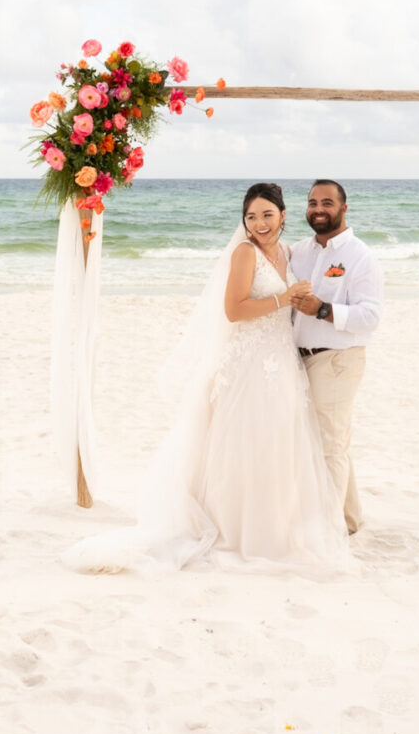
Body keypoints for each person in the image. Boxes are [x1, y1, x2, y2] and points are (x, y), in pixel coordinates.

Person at [62, 183, 349, 575]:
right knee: (243, 445)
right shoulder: (244, 253)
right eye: (251, 216)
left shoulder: (286, 252)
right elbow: (234, 310)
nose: (260, 223)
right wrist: (285, 298)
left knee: (277, 444)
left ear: (283, 215)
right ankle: (236, 530)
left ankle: (274, 527)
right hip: (248, 363)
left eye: (267, 214)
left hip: (280, 361)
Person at [289, 180, 383, 534]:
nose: (318, 209)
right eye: (312, 202)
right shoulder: (299, 251)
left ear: (344, 208)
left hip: (338, 359)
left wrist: (324, 309)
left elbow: (371, 316)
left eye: (327, 202)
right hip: (299, 359)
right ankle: (349, 518)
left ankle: (326, 533)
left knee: (329, 444)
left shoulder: (361, 256)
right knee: (332, 440)